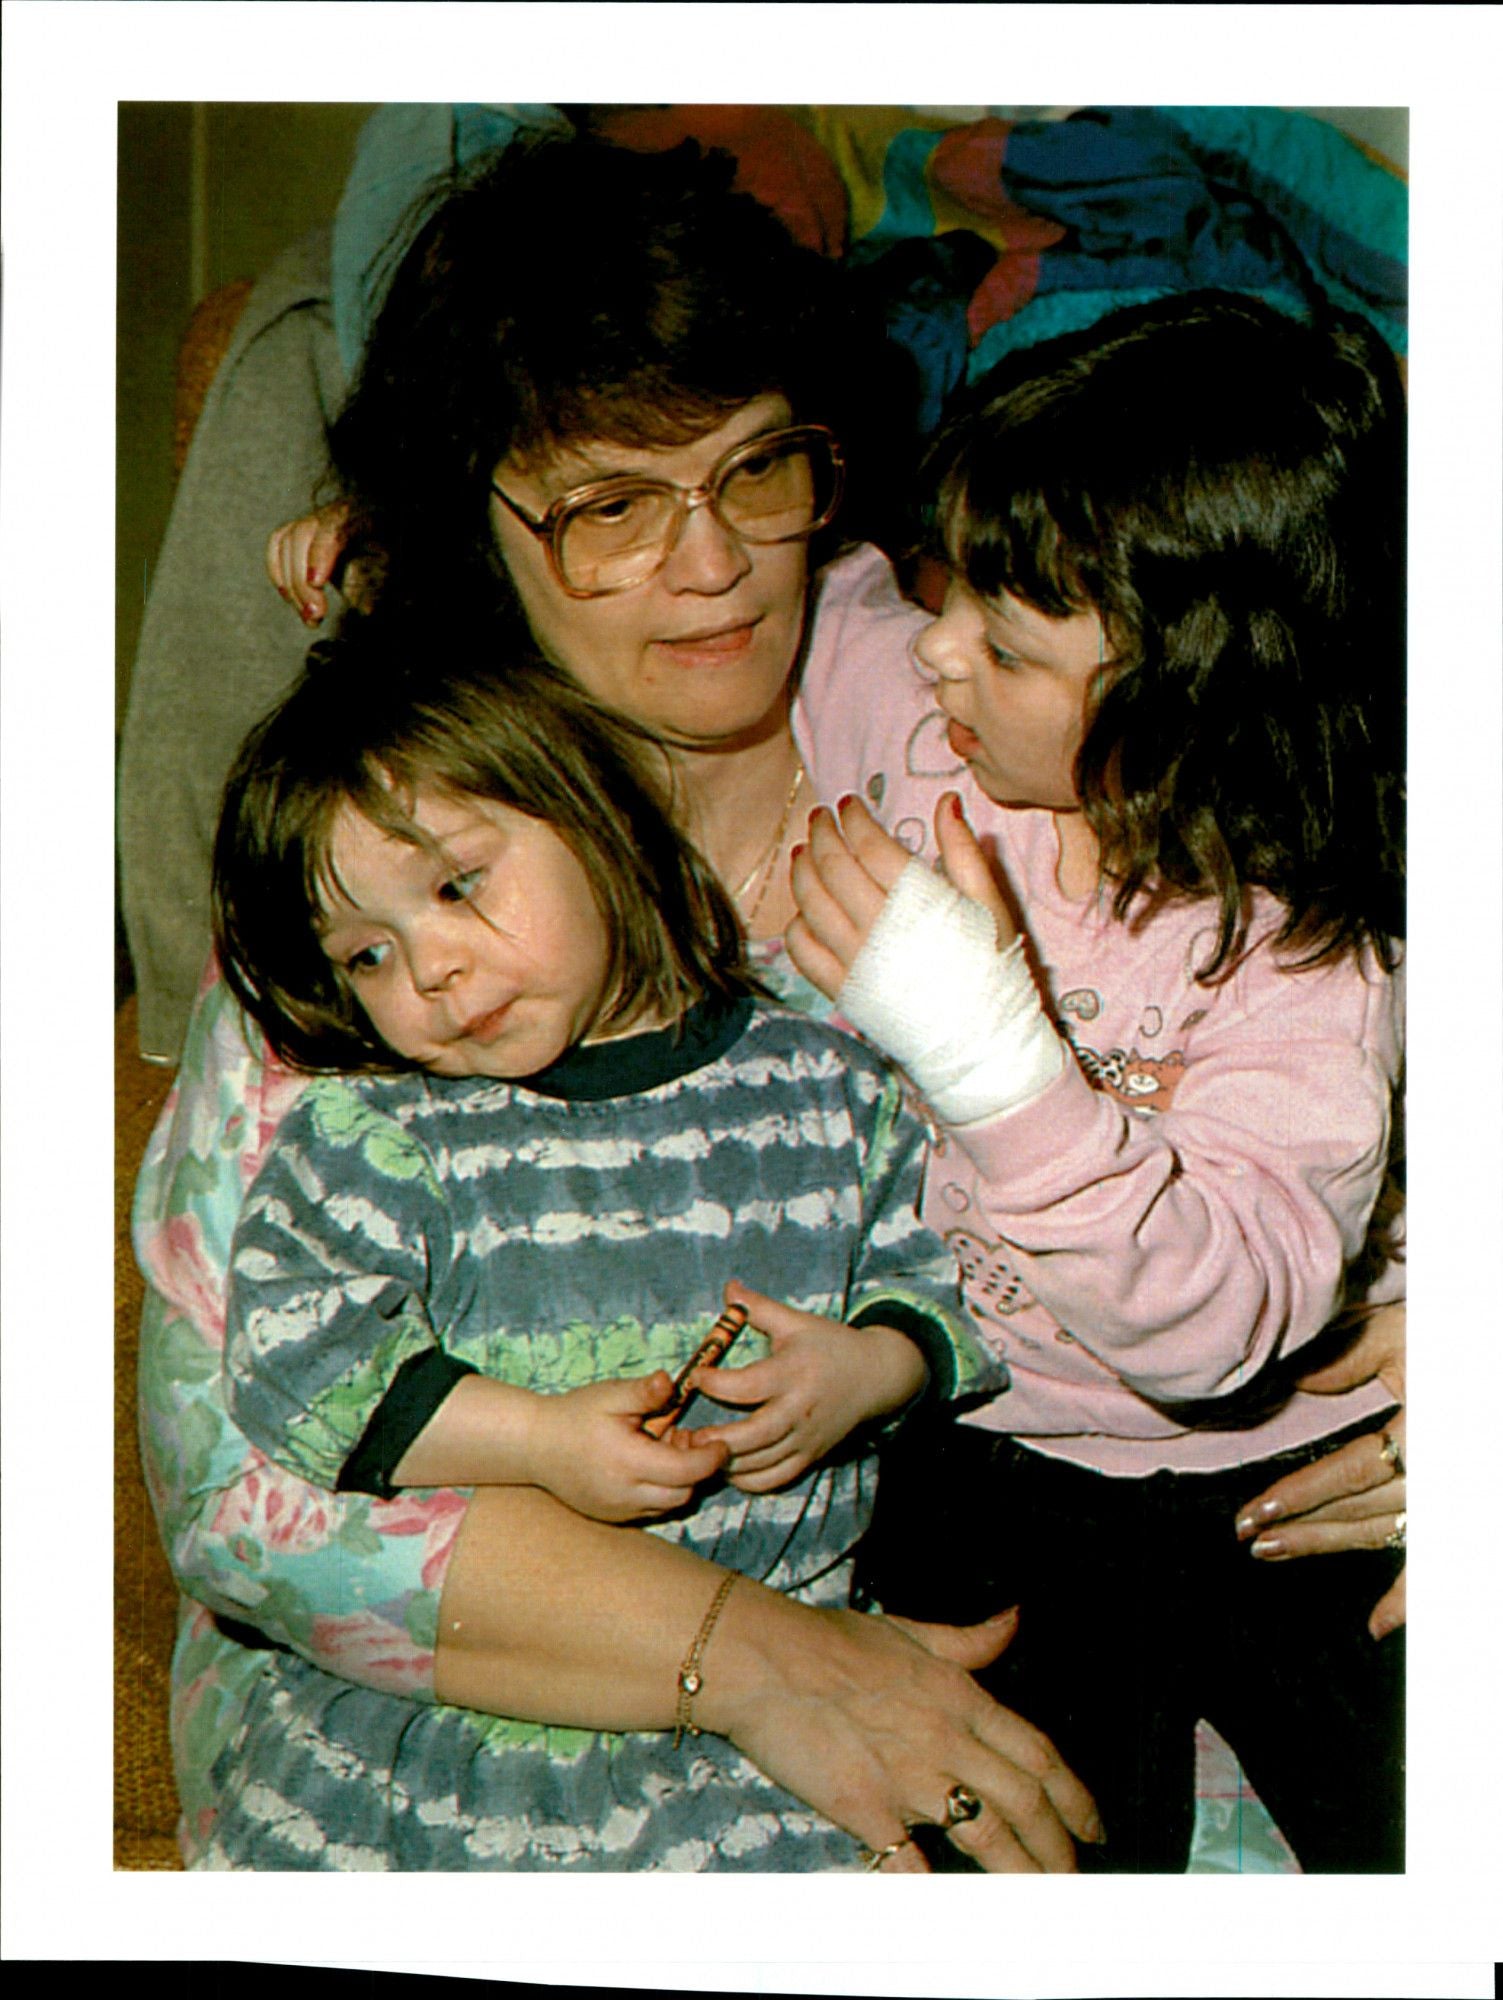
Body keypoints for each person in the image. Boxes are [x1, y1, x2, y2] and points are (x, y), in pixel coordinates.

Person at [133, 130, 1101, 1873]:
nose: (712, 561)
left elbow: (1262, 1099)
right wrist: (756, 1665)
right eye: (605, 505)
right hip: (435, 1745)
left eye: (753, 472)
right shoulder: (396, 884)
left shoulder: (978, 774)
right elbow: (236, 1501)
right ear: (470, 524)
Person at [198, 630, 1010, 1870]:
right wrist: (535, 1437)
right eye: (367, 952)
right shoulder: (379, 1128)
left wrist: (873, 1369)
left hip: (780, 1718)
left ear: (594, 816)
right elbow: (298, 1366)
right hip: (461, 1721)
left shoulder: (828, 1075)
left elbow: (948, 1273)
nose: (429, 967)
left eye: (460, 885)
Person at [783, 291, 1406, 1871]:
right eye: (953, 595)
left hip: (1278, 1468)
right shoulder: (930, 737)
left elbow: (1212, 1335)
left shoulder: (1305, 959)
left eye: (1004, 640)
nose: (937, 652)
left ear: (1200, 699)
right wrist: (397, 554)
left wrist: (994, 1059)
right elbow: (804, 594)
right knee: (999, 1858)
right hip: (987, 1445)